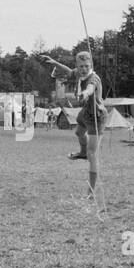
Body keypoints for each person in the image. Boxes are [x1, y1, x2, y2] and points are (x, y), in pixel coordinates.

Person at [44, 50, 106, 197]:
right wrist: (55, 63)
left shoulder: (93, 78)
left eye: (86, 66)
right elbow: (70, 72)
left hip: (96, 117)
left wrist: (85, 93)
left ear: (90, 64)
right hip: (85, 112)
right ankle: (83, 153)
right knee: (78, 132)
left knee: (93, 155)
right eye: (80, 66)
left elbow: (90, 88)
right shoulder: (79, 73)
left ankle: (90, 192)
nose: (83, 69)